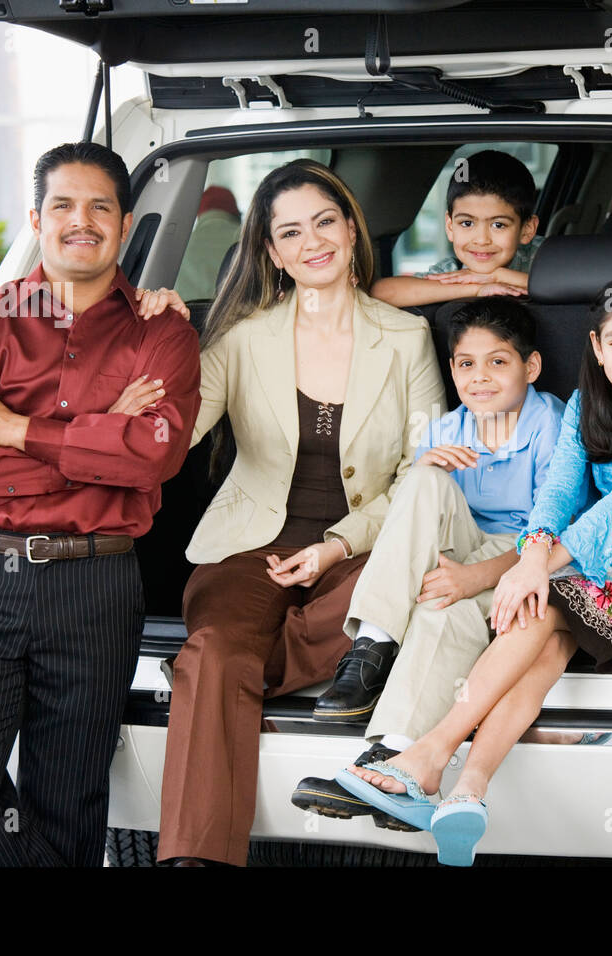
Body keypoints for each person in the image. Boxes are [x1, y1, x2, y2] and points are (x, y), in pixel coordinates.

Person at [0, 142, 202, 866]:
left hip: (96, 584)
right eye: (65, 206)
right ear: (38, 219)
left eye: (101, 207)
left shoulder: (161, 331)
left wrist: (16, 429)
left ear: (127, 222)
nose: (84, 221)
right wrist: (105, 435)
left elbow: (157, 455)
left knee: (69, 804)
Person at [337, 272, 612, 865]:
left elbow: (610, 514)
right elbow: (555, 493)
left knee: (542, 603)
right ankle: (468, 790)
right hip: (588, 577)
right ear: (597, 348)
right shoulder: (584, 406)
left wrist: (535, 568)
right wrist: (530, 556)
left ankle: (430, 753)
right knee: (544, 649)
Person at [157, 159, 445, 866]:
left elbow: (424, 471)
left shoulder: (406, 338)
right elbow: (176, 431)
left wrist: (339, 544)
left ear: (350, 228)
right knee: (215, 649)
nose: (312, 241)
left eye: (325, 221)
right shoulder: (243, 338)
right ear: (273, 253)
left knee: (416, 592)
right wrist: (150, 337)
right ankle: (196, 859)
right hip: (252, 549)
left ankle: (248, 669)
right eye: (291, 232)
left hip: (365, 555)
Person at [290, 298, 566, 824]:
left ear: (530, 367)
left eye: (498, 362)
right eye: (465, 364)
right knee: (421, 478)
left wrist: (472, 578)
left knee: (444, 608)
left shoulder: (549, 425)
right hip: (458, 545)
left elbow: (554, 537)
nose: (479, 377)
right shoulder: (446, 428)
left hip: (523, 561)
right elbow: (415, 523)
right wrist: (428, 476)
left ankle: (390, 755)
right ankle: (372, 647)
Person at [371, 149, 543, 308]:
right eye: (467, 223)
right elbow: (381, 292)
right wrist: (476, 288)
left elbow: (569, 282)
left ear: (527, 229)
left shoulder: (544, 257)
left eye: (498, 225)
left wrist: (497, 276)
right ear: (450, 226)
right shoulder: (452, 272)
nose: (482, 240)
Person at [173, 185, 242, 302]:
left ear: (199, 214)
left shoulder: (180, 244)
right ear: (235, 213)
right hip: (241, 317)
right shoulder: (248, 239)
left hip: (188, 318)